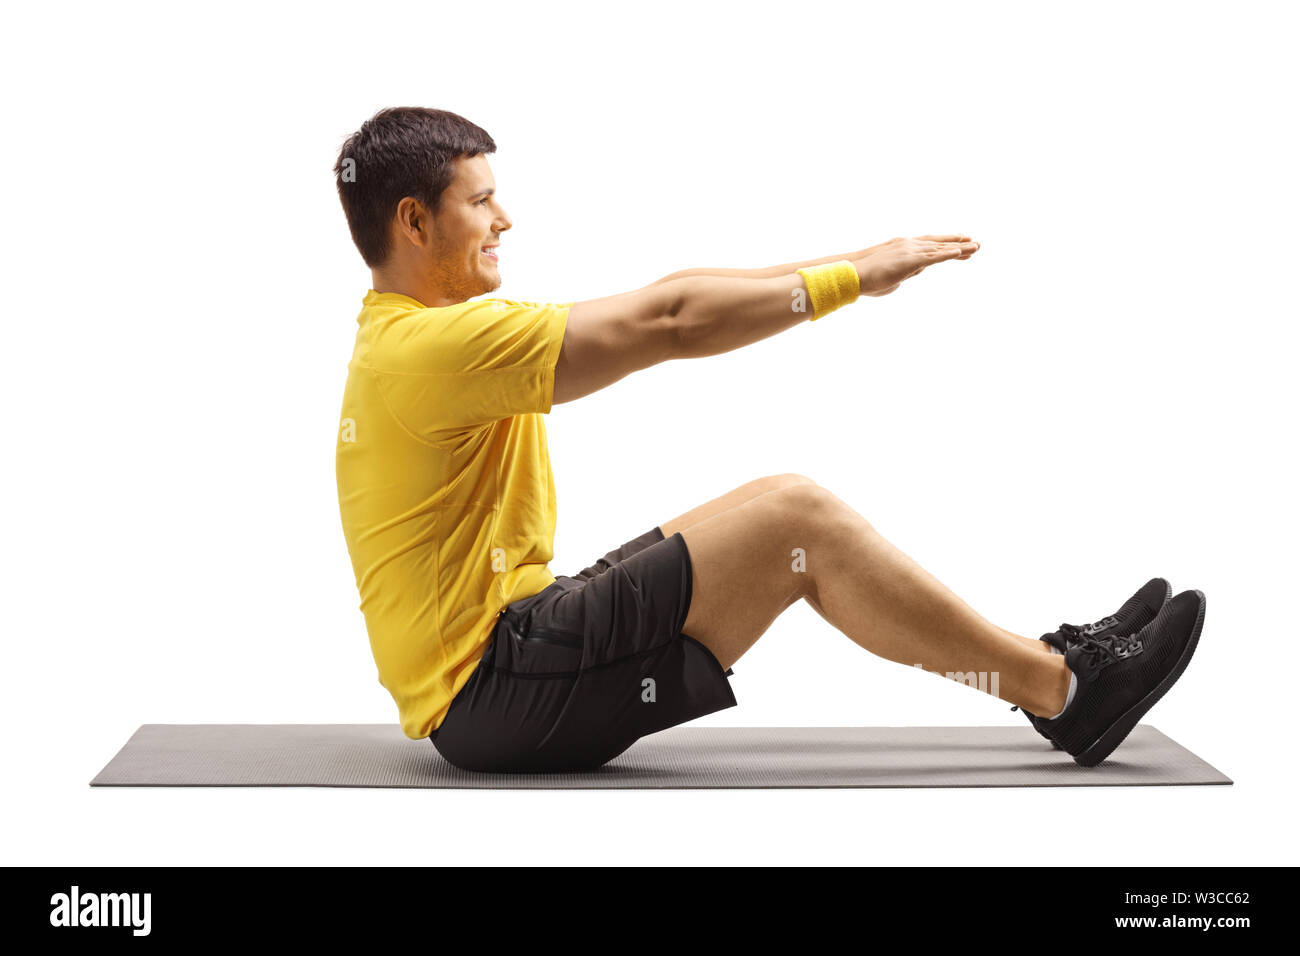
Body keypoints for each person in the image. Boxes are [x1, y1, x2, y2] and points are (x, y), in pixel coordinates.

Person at [333, 106, 1206, 774]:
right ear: (414, 222)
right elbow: (670, 323)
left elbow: (668, 292)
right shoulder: (437, 349)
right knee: (797, 522)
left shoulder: (417, 338)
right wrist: (850, 283)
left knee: (773, 503)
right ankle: (1068, 693)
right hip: (497, 692)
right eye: (482, 200)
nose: (505, 219)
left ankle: (1046, 665)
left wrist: (848, 266)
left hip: (505, 670)